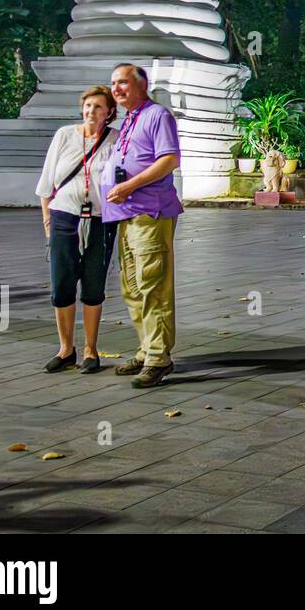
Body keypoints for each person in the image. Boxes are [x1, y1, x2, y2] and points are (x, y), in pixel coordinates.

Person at [101, 63, 182, 388]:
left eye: (122, 82)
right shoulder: (129, 120)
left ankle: (159, 358)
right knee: (131, 287)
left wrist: (129, 186)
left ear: (142, 84)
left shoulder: (157, 115)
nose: (116, 88)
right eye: (113, 83)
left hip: (150, 211)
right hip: (124, 214)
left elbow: (169, 159)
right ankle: (146, 348)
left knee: (153, 284)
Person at [35, 86, 119, 373]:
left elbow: (120, 181)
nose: (91, 111)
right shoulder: (65, 135)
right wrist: (48, 223)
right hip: (63, 216)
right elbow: (46, 184)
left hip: (100, 220)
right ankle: (65, 348)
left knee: (94, 283)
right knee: (62, 283)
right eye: (87, 106)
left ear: (109, 112)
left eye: (98, 107)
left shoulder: (115, 140)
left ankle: (91, 349)